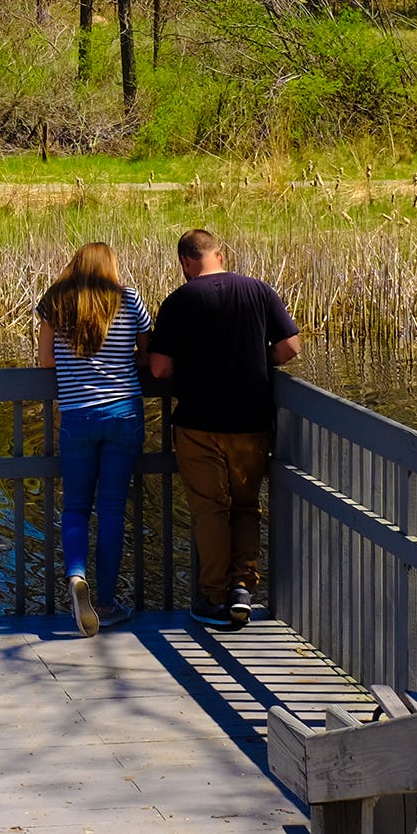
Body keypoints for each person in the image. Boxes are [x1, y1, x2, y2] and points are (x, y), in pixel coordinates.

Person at [147, 228, 300, 631]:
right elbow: (290, 347)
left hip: (199, 423)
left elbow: (160, 368)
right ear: (220, 253)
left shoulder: (180, 301)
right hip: (251, 420)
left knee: (210, 510)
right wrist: (258, 358)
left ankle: (214, 597)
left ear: (184, 261)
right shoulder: (258, 290)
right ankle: (243, 590)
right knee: (246, 505)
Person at [36, 241, 153, 637]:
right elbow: (146, 352)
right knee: (113, 510)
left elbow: (46, 361)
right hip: (123, 413)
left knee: (75, 508)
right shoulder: (130, 299)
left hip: (77, 415)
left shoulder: (55, 301)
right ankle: (105, 602)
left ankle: (75, 575)